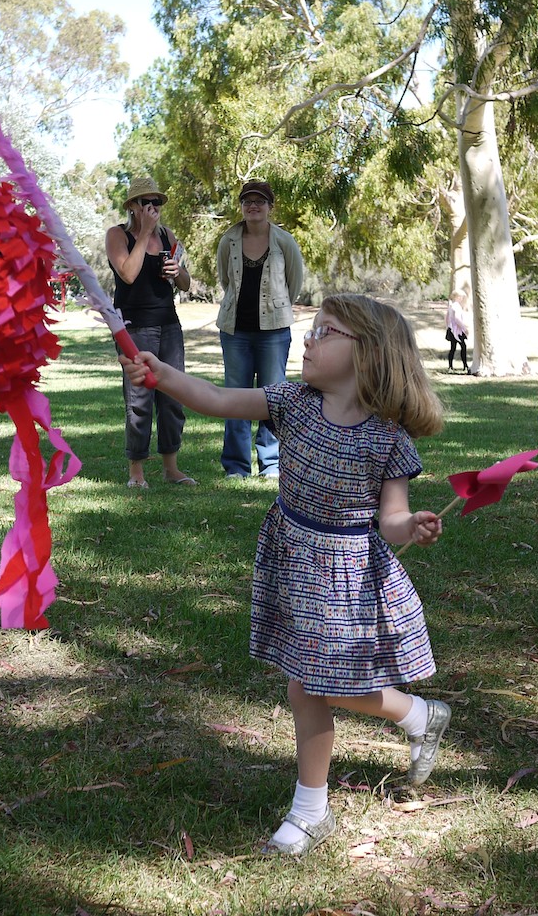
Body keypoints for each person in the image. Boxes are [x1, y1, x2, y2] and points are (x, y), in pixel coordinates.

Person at [122, 293, 450, 856]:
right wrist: (164, 375)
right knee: (312, 684)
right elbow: (218, 398)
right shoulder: (293, 401)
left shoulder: (388, 437)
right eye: (312, 328)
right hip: (294, 553)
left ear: (367, 353)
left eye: (325, 332)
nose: (308, 339)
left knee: (312, 685)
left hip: (347, 570)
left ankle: (311, 809)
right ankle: (417, 716)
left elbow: (390, 517)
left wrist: (410, 526)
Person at [105, 176, 195, 489]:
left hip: (168, 324)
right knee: (139, 400)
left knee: (172, 397)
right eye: (145, 203)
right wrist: (143, 233)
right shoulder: (118, 235)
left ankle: (172, 468)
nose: (151, 208)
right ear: (132, 207)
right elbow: (128, 274)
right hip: (133, 328)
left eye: (155, 202)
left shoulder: (169, 236)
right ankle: (137, 472)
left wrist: (178, 272)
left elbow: (185, 282)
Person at [214, 180, 304, 479]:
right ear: (241, 206)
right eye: (247, 201)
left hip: (274, 333)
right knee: (236, 399)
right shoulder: (229, 240)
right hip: (235, 331)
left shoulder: (284, 241)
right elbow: (226, 281)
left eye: (260, 201)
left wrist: (275, 310)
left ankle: (272, 464)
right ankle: (237, 467)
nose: (253, 206)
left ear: (270, 206)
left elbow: (294, 284)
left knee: (273, 399)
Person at [445, 289, 470, 374]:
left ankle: (450, 367)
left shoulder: (451, 306)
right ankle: (465, 366)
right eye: (461, 296)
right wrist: (464, 328)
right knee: (463, 346)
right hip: (457, 330)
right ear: (457, 297)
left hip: (451, 329)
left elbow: (447, 317)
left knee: (453, 348)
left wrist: (448, 326)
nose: (462, 298)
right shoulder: (456, 306)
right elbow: (457, 318)